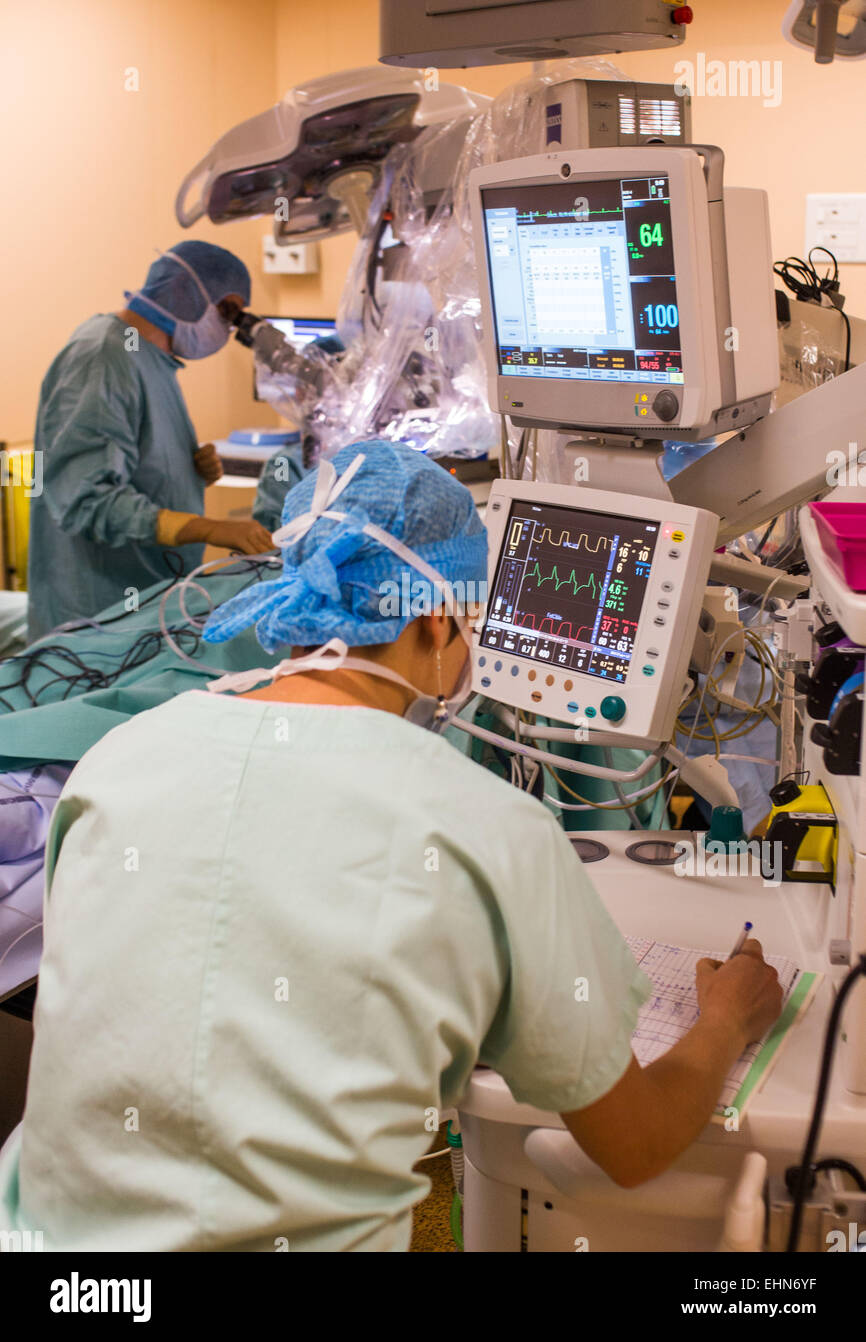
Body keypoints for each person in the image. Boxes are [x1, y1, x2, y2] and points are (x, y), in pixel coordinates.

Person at [0, 441, 782, 1252]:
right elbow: (635, 1144)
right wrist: (726, 1019)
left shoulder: (120, 759)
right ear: (439, 617)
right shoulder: (487, 830)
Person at [27, 240, 274, 642]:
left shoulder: (151, 358)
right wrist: (207, 528)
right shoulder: (102, 357)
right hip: (95, 620)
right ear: (183, 292)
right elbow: (88, 499)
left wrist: (188, 468)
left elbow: (133, 456)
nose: (229, 330)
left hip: (145, 601)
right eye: (226, 311)